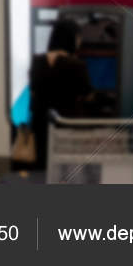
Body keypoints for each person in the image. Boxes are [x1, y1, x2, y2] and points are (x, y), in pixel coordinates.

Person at [27, 18, 93, 170]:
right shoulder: (76, 64)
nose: (80, 40)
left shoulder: (37, 60)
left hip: (41, 123)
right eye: (78, 36)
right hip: (66, 125)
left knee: (43, 166)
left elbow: (33, 89)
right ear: (71, 38)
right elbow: (87, 93)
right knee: (65, 168)